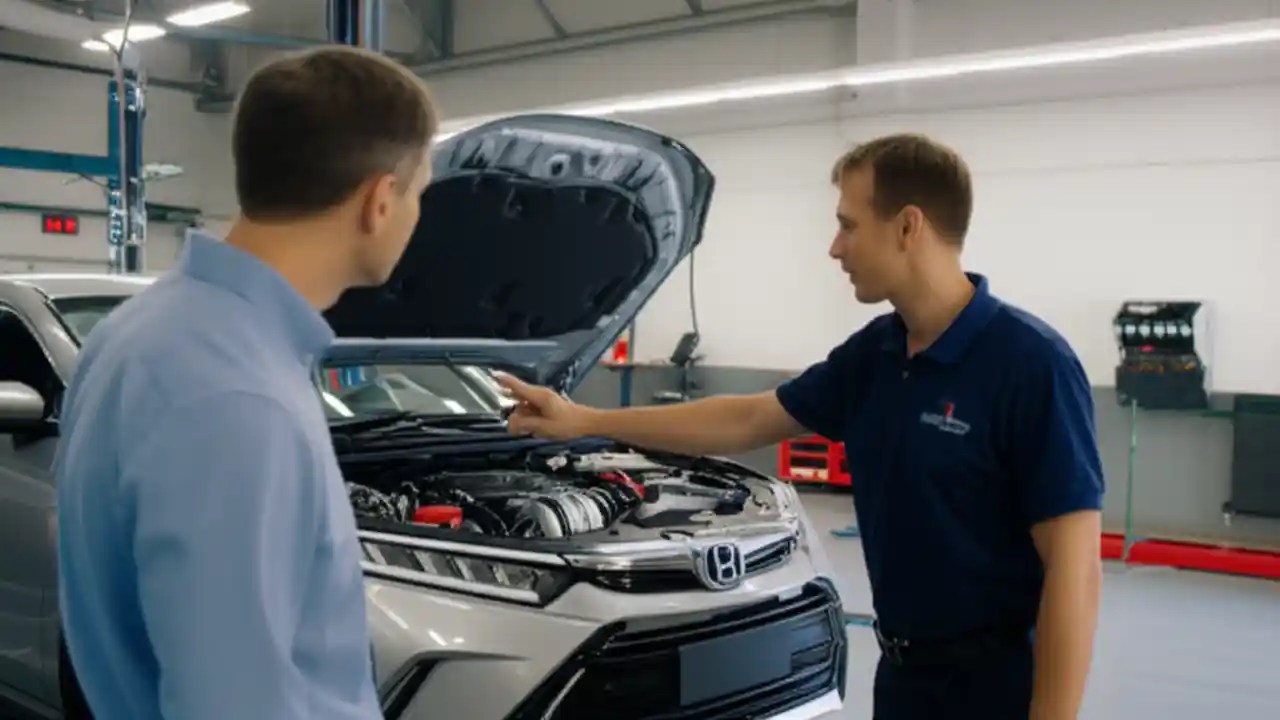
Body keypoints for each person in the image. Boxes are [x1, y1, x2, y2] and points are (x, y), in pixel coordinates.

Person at [498, 133, 1104, 720]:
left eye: (848, 224)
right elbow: (750, 416)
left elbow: (1075, 572)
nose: (834, 248)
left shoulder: (1031, 365)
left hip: (996, 691)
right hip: (903, 679)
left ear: (907, 226)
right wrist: (585, 419)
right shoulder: (877, 355)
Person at [54, 45, 438, 720]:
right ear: (380, 200)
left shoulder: (144, 331)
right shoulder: (236, 399)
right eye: (420, 193)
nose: (417, 216)